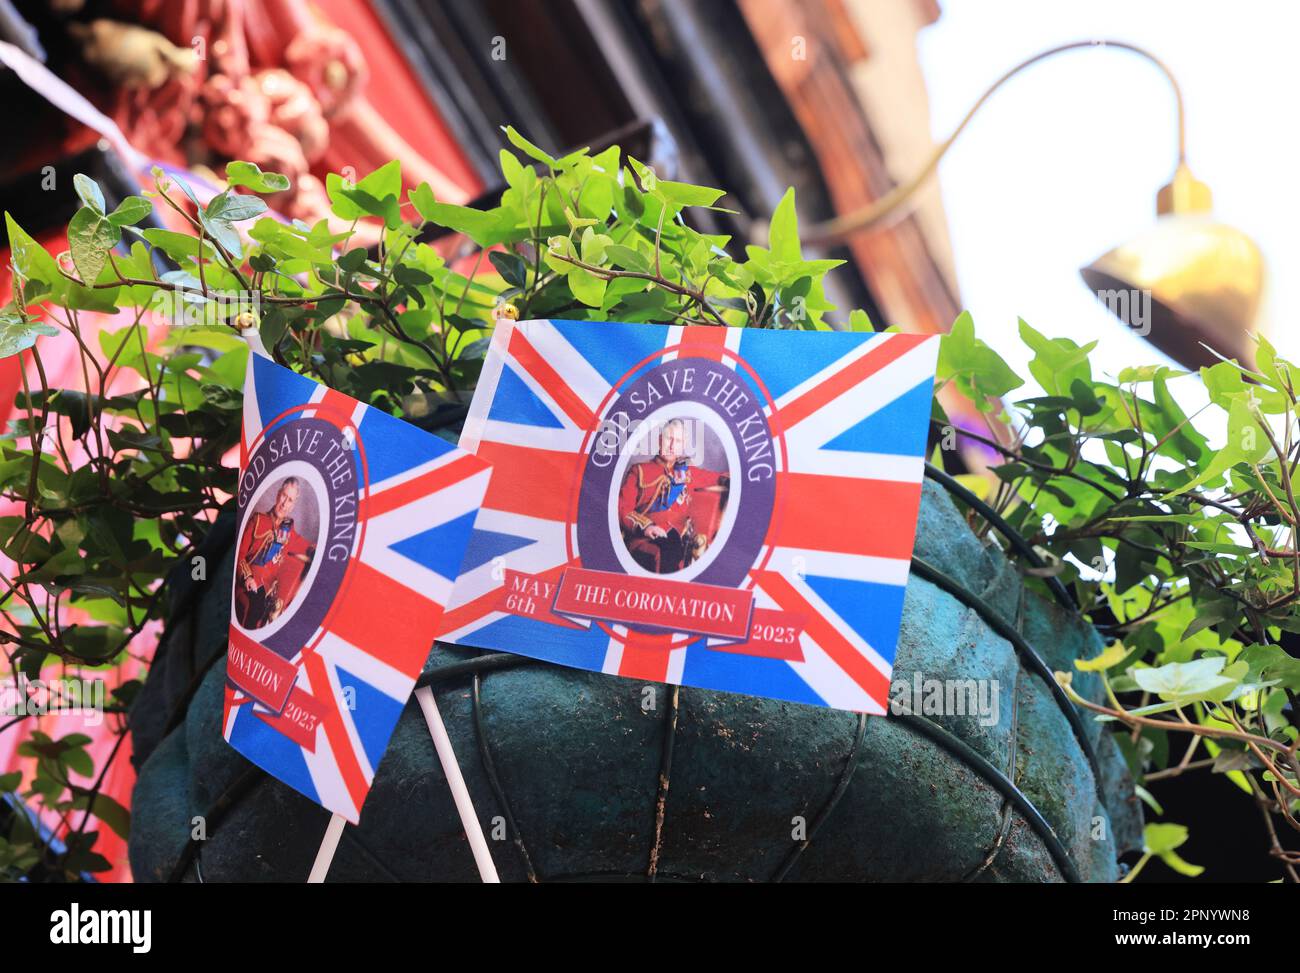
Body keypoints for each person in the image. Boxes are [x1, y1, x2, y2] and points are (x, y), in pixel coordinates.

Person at [618, 418, 729, 574]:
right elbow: (622, 508)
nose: (671, 446)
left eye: (677, 441)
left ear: (682, 446)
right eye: (669, 439)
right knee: (669, 549)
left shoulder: (688, 473)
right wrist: (647, 526)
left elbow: (720, 477)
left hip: (682, 539)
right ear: (660, 440)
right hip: (647, 538)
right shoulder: (639, 470)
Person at [235, 477, 315, 628]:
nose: (284, 504)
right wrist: (248, 577)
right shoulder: (258, 520)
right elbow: (240, 555)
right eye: (284, 496)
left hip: (270, 589)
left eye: (290, 500)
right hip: (250, 583)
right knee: (257, 605)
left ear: (293, 505)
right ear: (278, 495)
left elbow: (309, 548)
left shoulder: (288, 531)